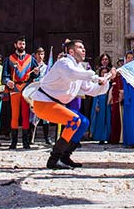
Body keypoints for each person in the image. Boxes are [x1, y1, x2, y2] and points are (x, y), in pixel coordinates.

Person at [30, 39, 116, 169]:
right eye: (80, 47)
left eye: (84, 47)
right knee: (74, 120)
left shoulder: (79, 68)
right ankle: (54, 159)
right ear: (71, 51)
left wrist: (106, 81)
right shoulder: (63, 63)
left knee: (84, 122)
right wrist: (96, 77)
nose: (84, 50)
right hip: (43, 103)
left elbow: (91, 90)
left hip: (55, 105)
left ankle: (65, 156)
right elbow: (72, 74)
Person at [3, 36, 37, 149]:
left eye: (23, 44)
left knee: (26, 115)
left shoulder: (31, 59)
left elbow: (35, 74)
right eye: (20, 44)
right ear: (15, 45)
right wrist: (8, 82)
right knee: (15, 115)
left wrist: (36, 72)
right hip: (15, 89)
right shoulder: (9, 59)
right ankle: (13, 142)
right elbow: (5, 76)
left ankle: (26, 142)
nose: (22, 46)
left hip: (26, 88)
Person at [89, 53, 113, 144]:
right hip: (100, 100)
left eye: (106, 59)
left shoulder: (112, 73)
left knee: (108, 119)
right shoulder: (97, 74)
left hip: (108, 99)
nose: (105, 61)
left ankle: (109, 136)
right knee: (99, 119)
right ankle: (99, 137)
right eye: (103, 59)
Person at [32, 47, 51, 145]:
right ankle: (30, 136)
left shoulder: (47, 67)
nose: (40, 56)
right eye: (38, 54)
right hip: (33, 92)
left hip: (44, 93)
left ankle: (46, 137)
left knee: (45, 116)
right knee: (32, 114)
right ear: (35, 55)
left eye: (42, 54)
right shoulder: (31, 66)